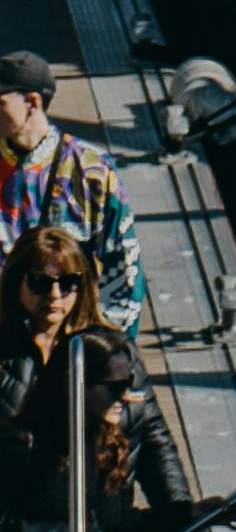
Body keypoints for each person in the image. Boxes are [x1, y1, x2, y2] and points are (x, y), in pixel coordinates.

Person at [0, 228, 184, 532]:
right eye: (40, 283)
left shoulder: (111, 350)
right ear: (16, 284)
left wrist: (180, 515)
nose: (55, 296)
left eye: (68, 284)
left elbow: (152, 432)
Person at [0, 54, 144, 346]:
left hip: (72, 341)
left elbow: (122, 266)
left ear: (33, 103)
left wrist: (112, 349)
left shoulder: (91, 171)